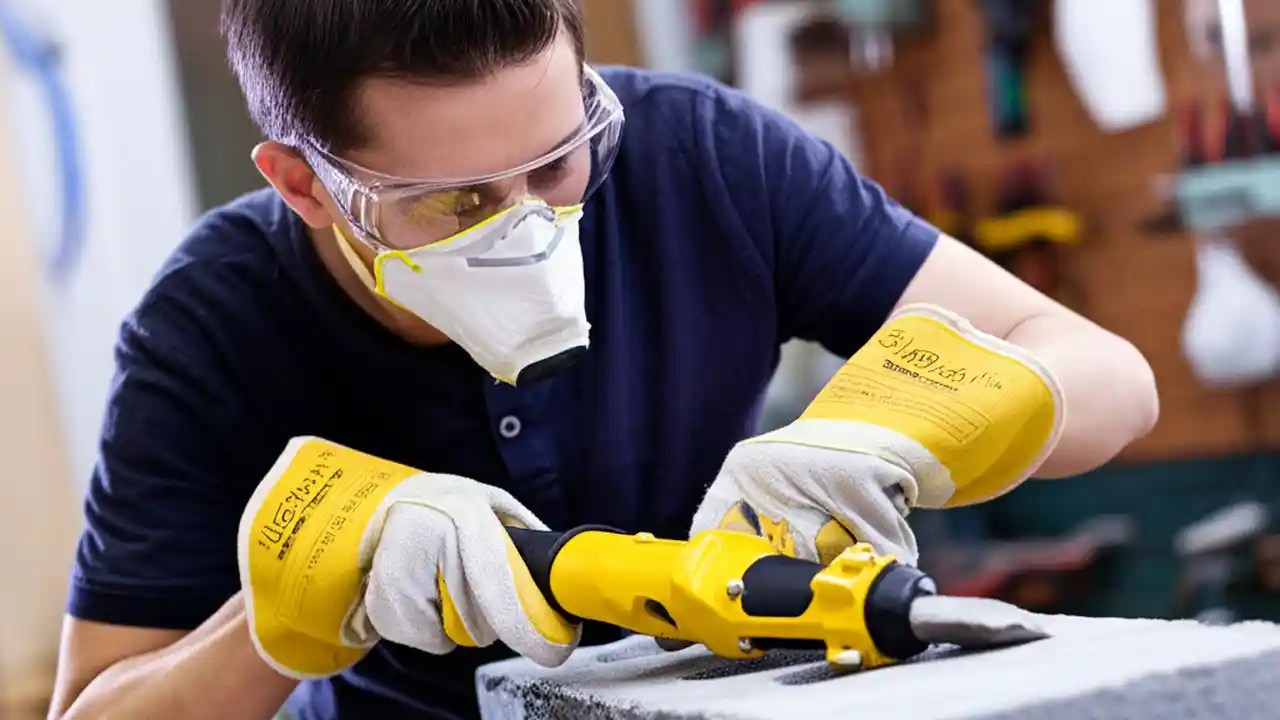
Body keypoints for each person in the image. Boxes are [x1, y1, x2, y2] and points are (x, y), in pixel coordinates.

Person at [48, 2, 1159, 719]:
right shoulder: (210, 321)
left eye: (557, 162)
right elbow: (97, 706)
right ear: (305, 185)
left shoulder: (704, 157)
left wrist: (890, 433)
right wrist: (290, 608)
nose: (527, 226)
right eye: (457, 202)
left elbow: (1110, 378)